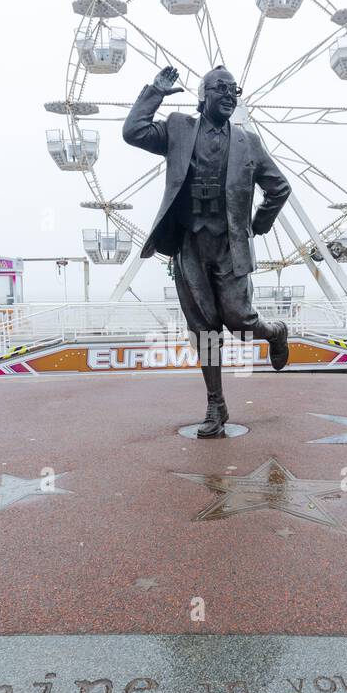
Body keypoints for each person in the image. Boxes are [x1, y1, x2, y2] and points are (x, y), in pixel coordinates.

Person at [123, 64, 292, 438]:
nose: (230, 95)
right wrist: (154, 91)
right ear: (203, 96)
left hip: (230, 244)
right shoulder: (179, 128)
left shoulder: (249, 142)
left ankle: (275, 333)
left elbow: (279, 187)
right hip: (188, 243)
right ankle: (216, 404)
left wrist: (259, 224)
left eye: (235, 90)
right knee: (203, 330)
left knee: (240, 321)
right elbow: (132, 132)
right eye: (222, 88)